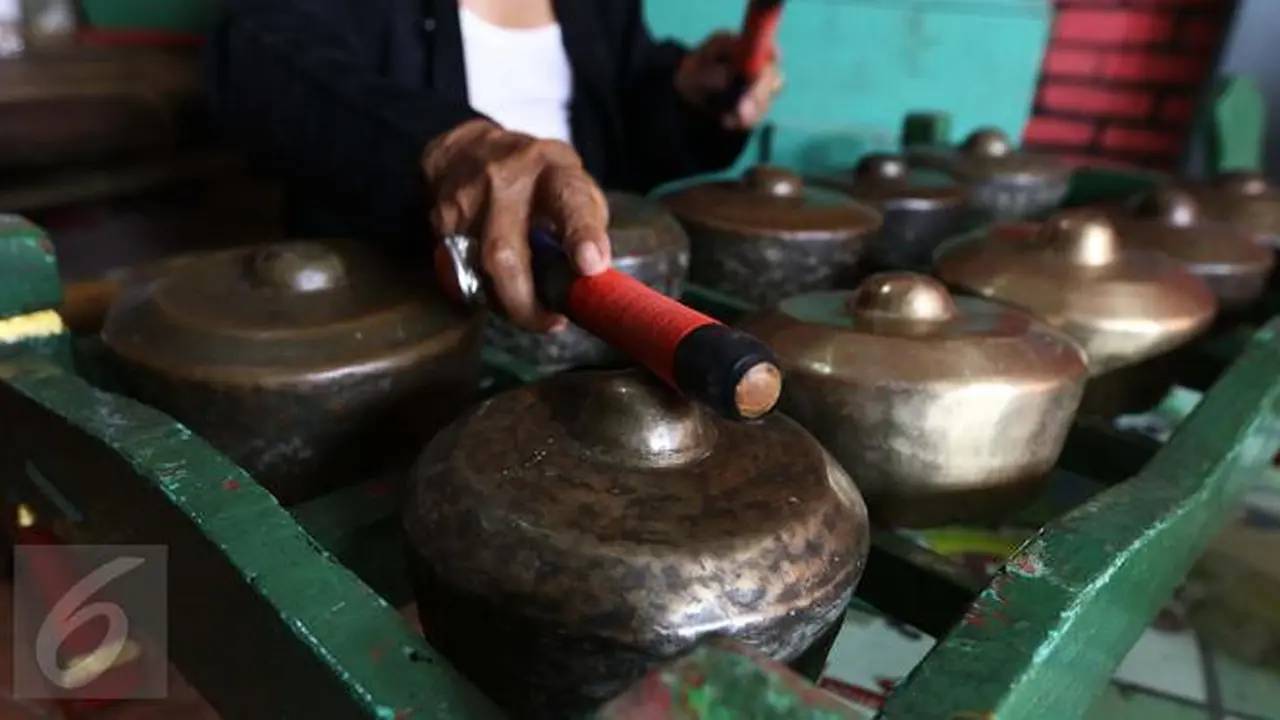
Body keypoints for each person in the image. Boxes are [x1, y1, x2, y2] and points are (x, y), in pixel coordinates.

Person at [207, 0, 782, 332]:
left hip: (580, 321)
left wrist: (688, 96)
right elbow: (254, 62)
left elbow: (626, 110)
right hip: (397, 329)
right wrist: (448, 148)